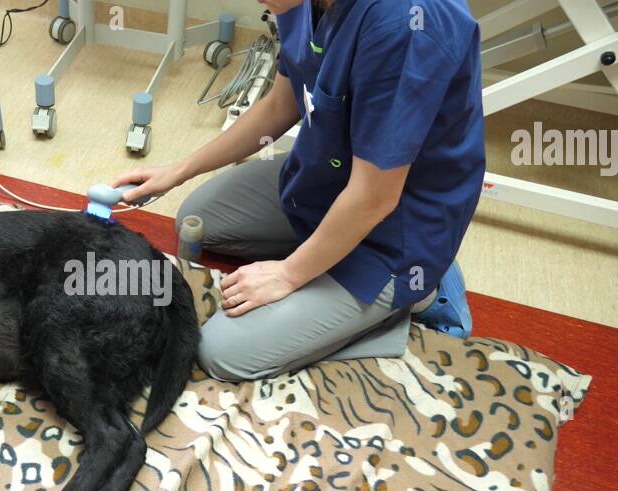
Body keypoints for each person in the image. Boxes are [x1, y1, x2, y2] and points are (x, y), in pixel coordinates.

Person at [113, 0, 485, 382]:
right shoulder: (302, 4)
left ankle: (416, 295)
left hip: (398, 227)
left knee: (222, 354)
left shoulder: (405, 27)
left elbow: (375, 197)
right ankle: (324, 261)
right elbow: (279, 105)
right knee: (201, 218)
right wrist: (177, 171)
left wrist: (289, 274)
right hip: (332, 174)